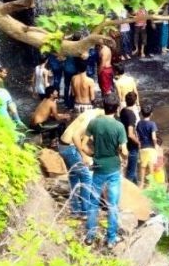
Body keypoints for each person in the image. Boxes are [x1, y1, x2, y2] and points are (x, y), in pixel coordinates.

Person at [84, 96, 128, 247]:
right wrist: (123, 156)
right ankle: (111, 238)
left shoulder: (94, 122)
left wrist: (92, 154)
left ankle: (90, 236)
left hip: (98, 168)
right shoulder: (119, 126)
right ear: (116, 109)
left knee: (93, 203)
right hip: (113, 169)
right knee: (112, 205)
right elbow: (124, 150)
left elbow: (83, 144)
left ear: (104, 106)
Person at [58, 106, 102, 218]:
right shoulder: (91, 119)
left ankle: (75, 210)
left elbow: (84, 134)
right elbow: (75, 136)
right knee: (86, 177)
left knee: (74, 178)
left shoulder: (91, 112)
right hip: (70, 148)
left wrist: (92, 151)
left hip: (63, 146)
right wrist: (84, 156)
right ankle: (85, 212)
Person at [135, 105, 160, 187]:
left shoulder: (139, 123)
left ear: (141, 114)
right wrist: (155, 145)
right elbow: (153, 137)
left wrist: (139, 144)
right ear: (151, 114)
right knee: (151, 166)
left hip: (143, 147)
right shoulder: (152, 124)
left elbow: (137, 136)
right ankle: (150, 184)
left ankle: (141, 183)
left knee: (143, 166)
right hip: (151, 147)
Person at [119, 92, 140, 183]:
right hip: (132, 145)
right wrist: (139, 142)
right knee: (131, 172)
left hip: (124, 142)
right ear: (135, 102)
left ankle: (136, 184)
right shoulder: (131, 115)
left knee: (133, 167)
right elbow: (130, 134)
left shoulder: (123, 111)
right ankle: (128, 191)